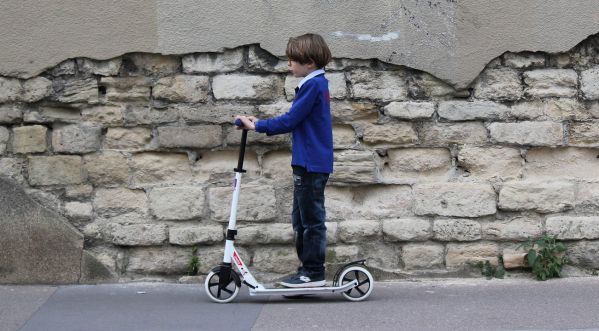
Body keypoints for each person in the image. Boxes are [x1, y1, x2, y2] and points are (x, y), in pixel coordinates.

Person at [235, 33, 333, 288]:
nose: (289, 65)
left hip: (311, 163)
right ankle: (307, 270)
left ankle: (312, 273)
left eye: (292, 60)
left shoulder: (313, 85)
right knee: (300, 220)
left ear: (309, 62)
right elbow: (295, 119)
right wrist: (260, 123)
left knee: (311, 221)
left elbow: (291, 120)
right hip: (307, 162)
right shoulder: (315, 84)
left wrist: (258, 126)